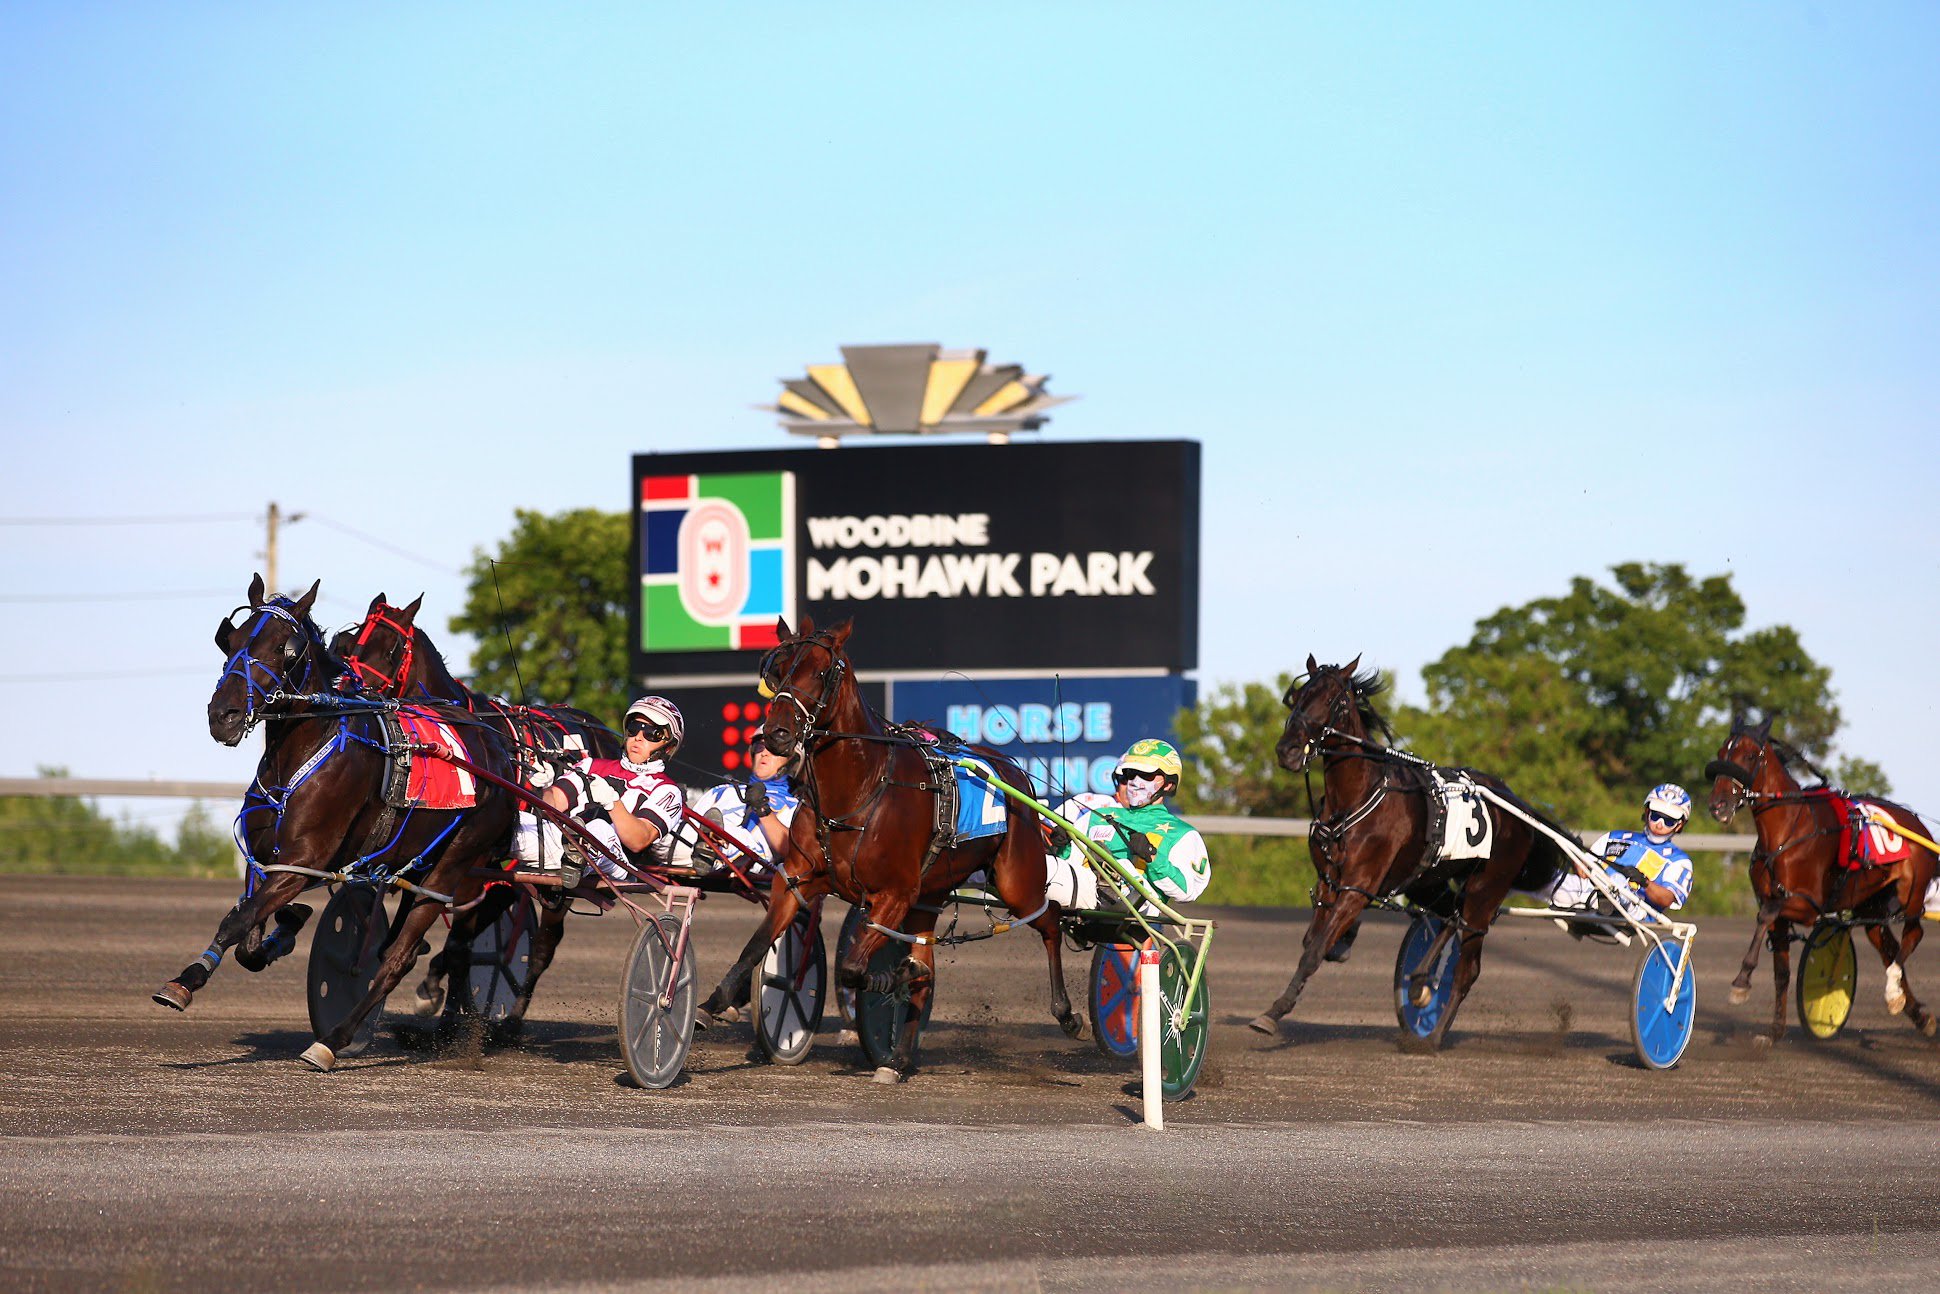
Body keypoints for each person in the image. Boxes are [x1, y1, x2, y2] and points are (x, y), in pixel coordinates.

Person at [511, 696, 687, 890]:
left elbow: (639, 840)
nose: (638, 737)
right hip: (562, 843)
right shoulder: (590, 765)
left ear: (669, 746)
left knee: (599, 828)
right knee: (508, 818)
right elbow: (553, 804)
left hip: (619, 863)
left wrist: (612, 802)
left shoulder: (667, 790)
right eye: (634, 728)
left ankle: (576, 853)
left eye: (651, 733)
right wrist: (538, 785)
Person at [1043, 738, 1211, 911]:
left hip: (1140, 904)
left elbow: (1188, 892)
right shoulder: (1097, 816)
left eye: (1145, 775)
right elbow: (1071, 866)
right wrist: (1061, 848)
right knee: (1041, 865)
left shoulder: (1182, 833)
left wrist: (1152, 857)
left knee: (1123, 866)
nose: (1135, 781)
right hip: (1087, 892)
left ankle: (1114, 882)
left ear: (1168, 784)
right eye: (1130, 774)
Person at [1547, 783, 1694, 929]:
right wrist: (1575, 854)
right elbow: (1583, 874)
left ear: (1680, 824)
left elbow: (1666, 899)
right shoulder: (1613, 837)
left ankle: (1608, 902)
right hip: (1589, 894)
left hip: (1636, 911)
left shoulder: (1679, 860)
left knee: (1617, 880)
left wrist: (1645, 883)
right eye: (1656, 816)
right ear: (1647, 812)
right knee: (1549, 874)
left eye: (1668, 821)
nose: (1660, 824)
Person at [682, 726, 802, 872]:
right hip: (688, 848)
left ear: (792, 760)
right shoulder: (724, 790)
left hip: (744, 859)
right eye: (760, 747)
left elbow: (794, 852)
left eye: (774, 750)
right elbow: (690, 826)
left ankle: (710, 846)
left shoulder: (795, 806)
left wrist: (762, 809)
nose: (764, 753)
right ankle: (706, 844)